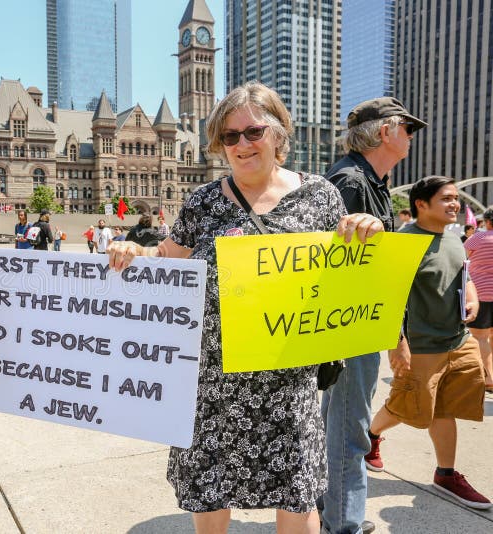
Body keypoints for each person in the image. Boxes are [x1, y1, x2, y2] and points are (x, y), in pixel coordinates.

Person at [106, 81, 382, 533]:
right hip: (212, 380)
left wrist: (366, 228)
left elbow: (349, 271)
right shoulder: (203, 201)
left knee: (296, 494)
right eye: (229, 136)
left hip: (288, 379)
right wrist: (135, 251)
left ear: (278, 134)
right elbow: (168, 256)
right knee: (209, 489)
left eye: (253, 132)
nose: (241, 144)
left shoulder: (319, 195)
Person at [319, 96, 425, 534]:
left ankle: (331, 512)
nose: (411, 137)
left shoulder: (370, 182)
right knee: (350, 429)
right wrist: (394, 337)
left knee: (339, 424)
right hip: (349, 330)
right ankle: (342, 524)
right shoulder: (351, 181)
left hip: (356, 327)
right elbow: (343, 269)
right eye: (407, 129)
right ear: (385, 131)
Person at [365, 177, 490, 510]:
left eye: (456, 198)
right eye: (446, 198)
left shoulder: (453, 238)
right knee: (407, 405)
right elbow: (386, 297)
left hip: (458, 340)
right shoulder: (404, 243)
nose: (455, 204)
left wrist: (473, 298)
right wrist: (397, 342)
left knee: (446, 408)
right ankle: (370, 437)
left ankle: (445, 474)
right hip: (421, 346)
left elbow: (465, 275)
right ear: (421, 204)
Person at [464, 208, 493, 392]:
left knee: (480, 337)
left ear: (487, 221)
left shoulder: (478, 238)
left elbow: (461, 257)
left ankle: (489, 378)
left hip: (481, 293)